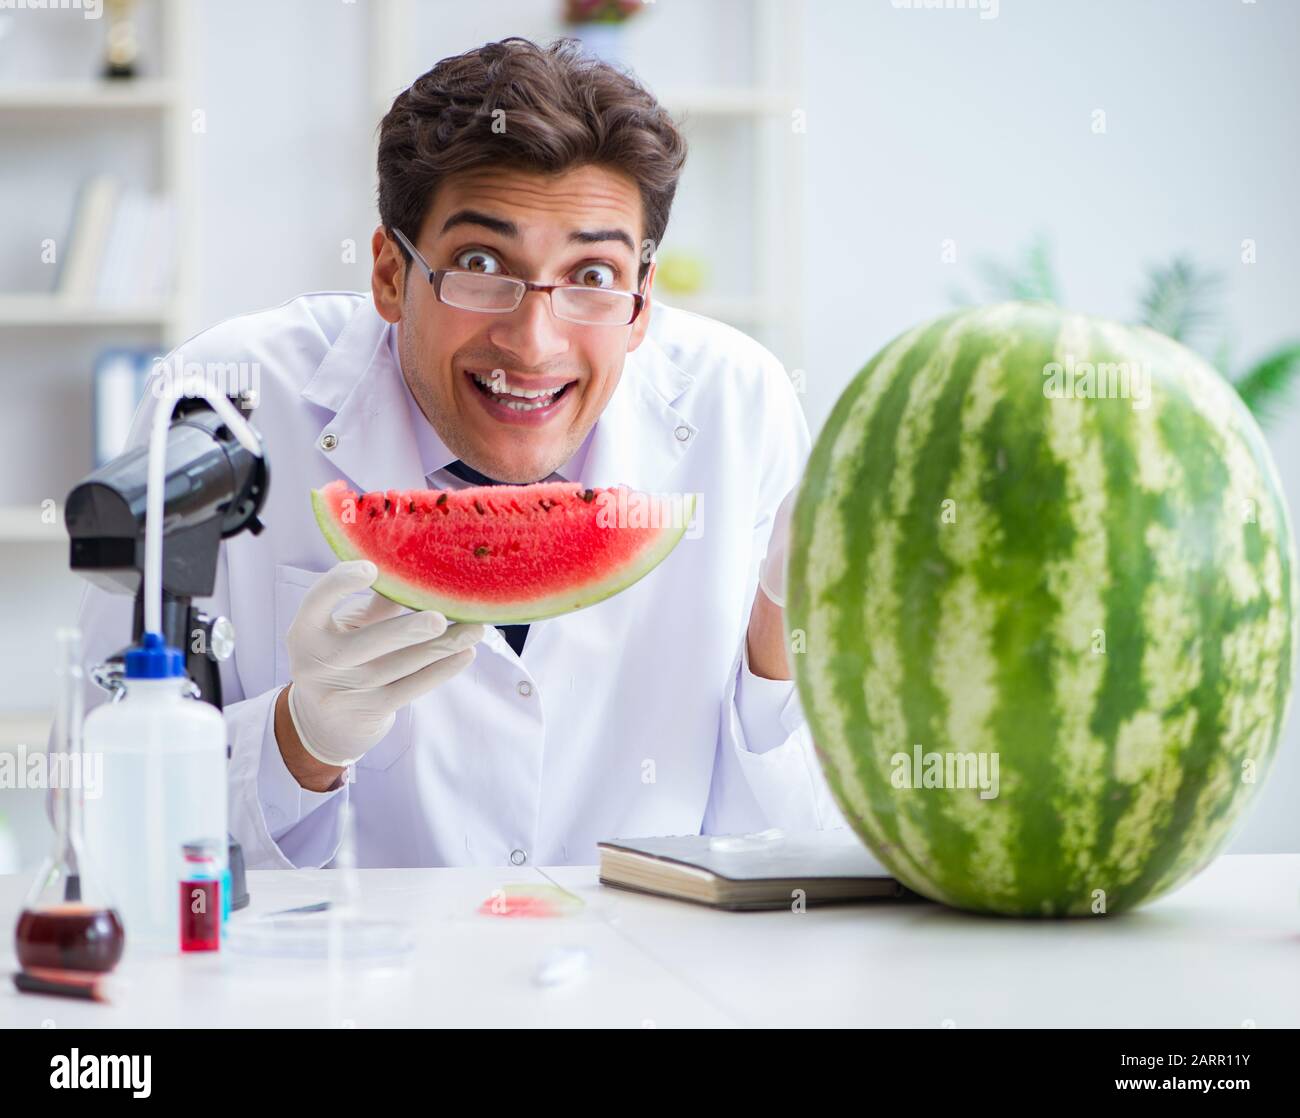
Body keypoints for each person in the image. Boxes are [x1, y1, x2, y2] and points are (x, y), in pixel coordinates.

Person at [72, 37, 846, 870]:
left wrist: (779, 648)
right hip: (338, 996)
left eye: (592, 274)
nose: (533, 342)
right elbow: (94, 824)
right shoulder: (224, 395)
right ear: (389, 274)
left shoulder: (741, 406)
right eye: (481, 265)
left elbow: (792, 850)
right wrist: (297, 740)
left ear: (642, 302)